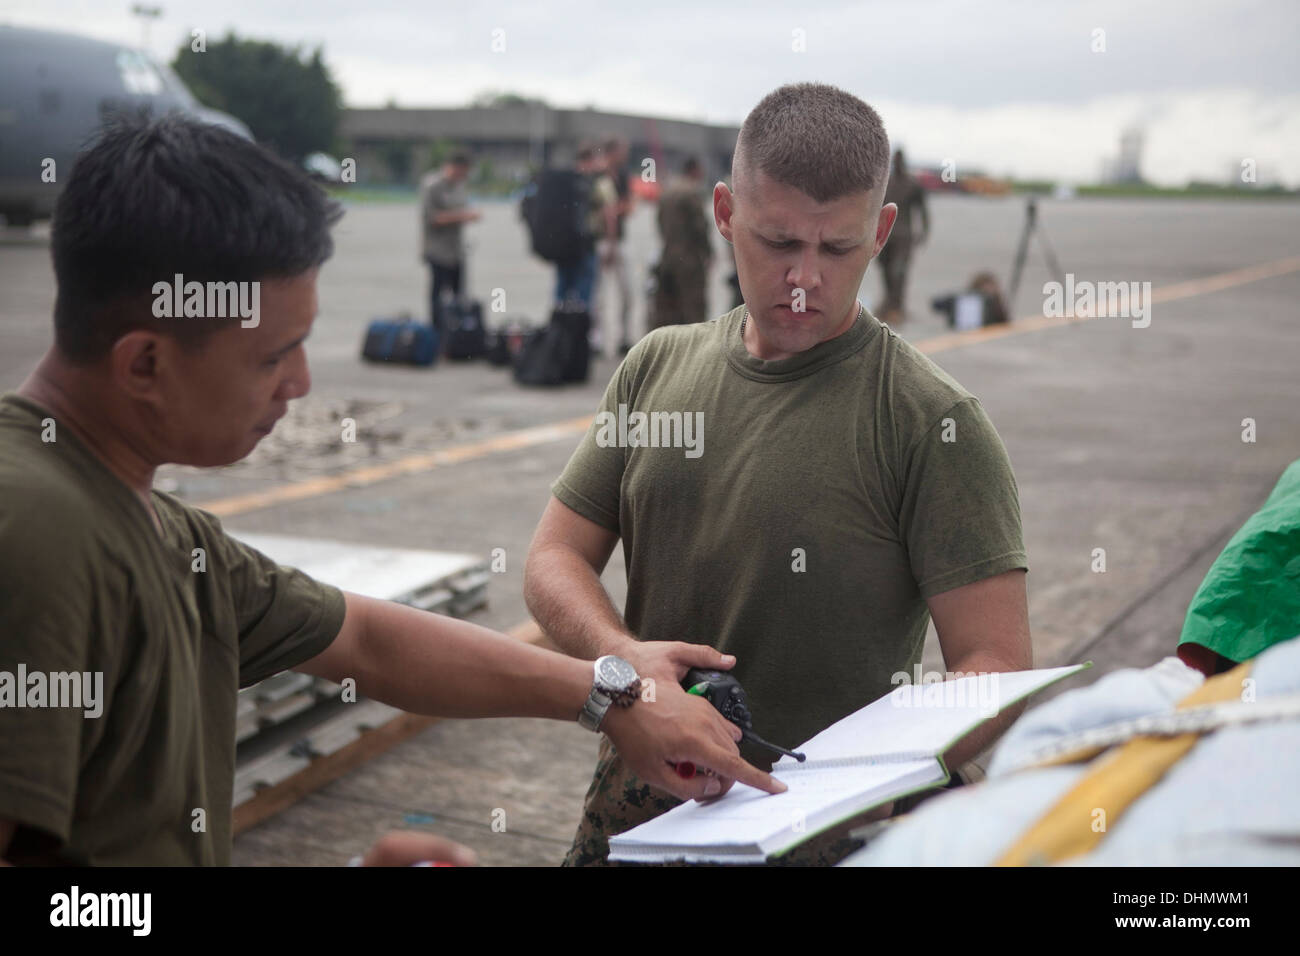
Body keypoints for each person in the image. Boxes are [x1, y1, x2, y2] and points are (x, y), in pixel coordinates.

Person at [0, 114, 782, 867]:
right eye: (274, 358)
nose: (300, 385)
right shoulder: (39, 540)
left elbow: (365, 642)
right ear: (144, 365)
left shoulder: (155, 528)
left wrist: (617, 694)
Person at [524, 83, 1032, 866]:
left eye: (837, 250)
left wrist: (885, 769)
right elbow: (554, 559)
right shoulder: (655, 367)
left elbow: (994, 661)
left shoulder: (931, 421)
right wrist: (629, 679)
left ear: (883, 230)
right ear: (725, 215)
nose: (804, 279)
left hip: (830, 830)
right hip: (640, 807)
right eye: (778, 242)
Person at [419, 150, 480, 336]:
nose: (463, 177)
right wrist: (463, 216)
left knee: (459, 296)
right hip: (437, 250)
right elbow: (432, 218)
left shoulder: (459, 186)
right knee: (437, 297)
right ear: (452, 167)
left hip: (456, 251)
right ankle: (436, 334)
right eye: (462, 172)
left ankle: (457, 335)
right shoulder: (432, 185)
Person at [650, 156, 713, 329]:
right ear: (694, 170)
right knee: (694, 309)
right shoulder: (691, 192)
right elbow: (700, 227)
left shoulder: (667, 192)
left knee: (666, 310)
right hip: (689, 260)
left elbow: (659, 223)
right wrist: (708, 253)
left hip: (667, 257)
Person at [876, 148, 929, 324]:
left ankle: (896, 306)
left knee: (899, 271)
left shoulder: (912, 185)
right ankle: (889, 301)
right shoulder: (886, 183)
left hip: (904, 235)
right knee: (885, 269)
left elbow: (923, 211)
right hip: (885, 236)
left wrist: (924, 231)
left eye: (899, 160)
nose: (897, 163)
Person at [596, 137, 634, 356]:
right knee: (598, 295)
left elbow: (626, 207)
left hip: (619, 240)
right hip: (602, 241)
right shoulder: (598, 175)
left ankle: (623, 337)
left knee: (627, 293)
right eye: (622, 150)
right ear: (612, 151)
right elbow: (608, 210)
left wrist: (615, 208)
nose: (625, 155)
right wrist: (616, 209)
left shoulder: (622, 175)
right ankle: (597, 339)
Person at [553, 145, 601, 311]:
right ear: (589, 160)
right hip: (583, 246)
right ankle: (580, 330)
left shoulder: (563, 181)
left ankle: (558, 327)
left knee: (561, 290)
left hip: (562, 245)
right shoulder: (586, 183)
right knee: (583, 295)